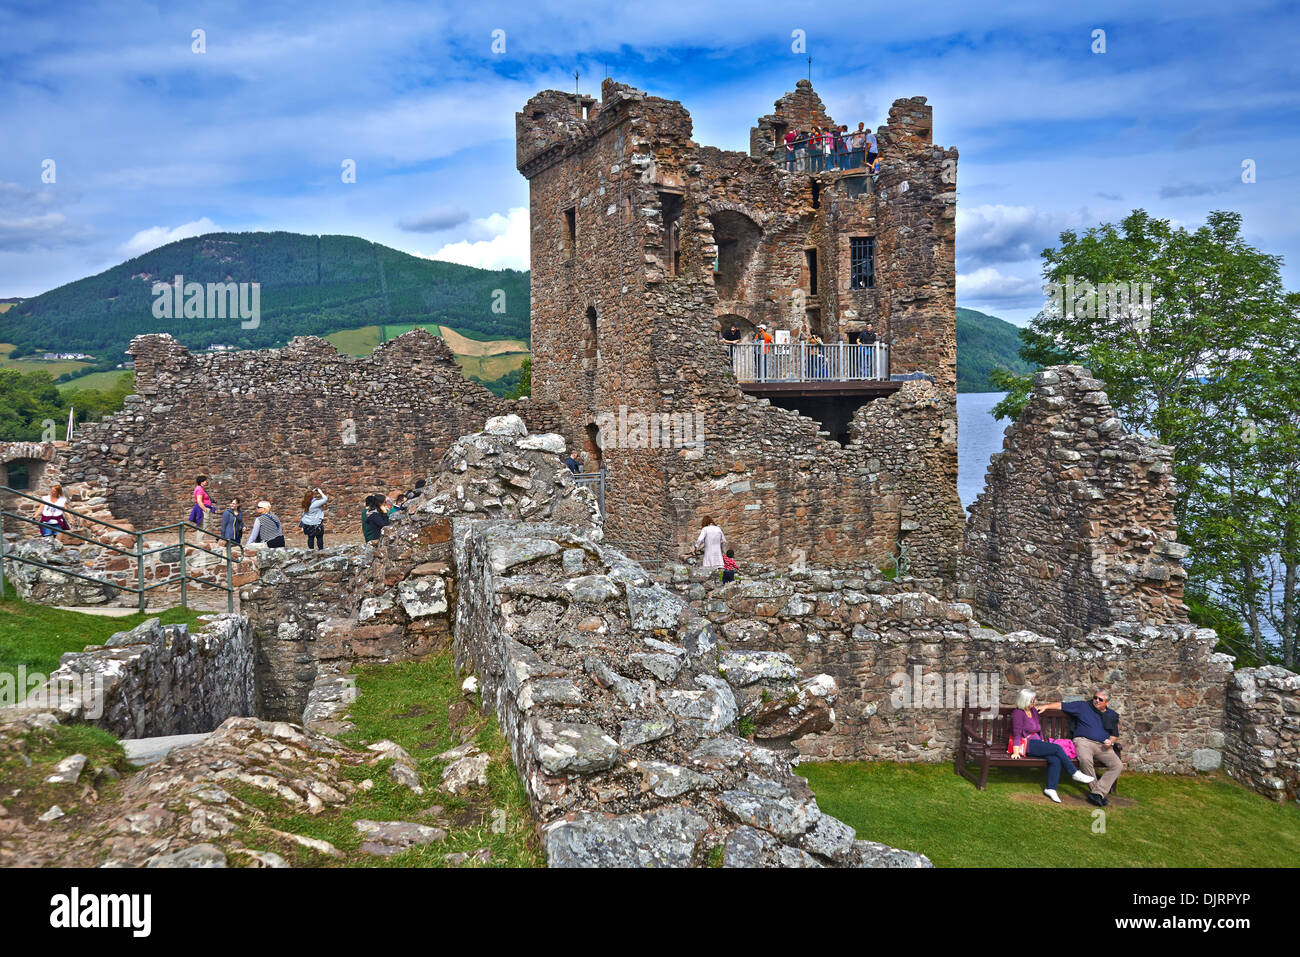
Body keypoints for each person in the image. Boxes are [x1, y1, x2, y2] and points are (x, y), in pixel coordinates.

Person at [1010, 689, 1094, 803]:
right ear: (1024, 701)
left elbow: (1037, 729)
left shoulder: (1033, 710)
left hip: (1038, 743)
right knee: (1057, 748)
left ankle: (1050, 788)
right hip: (1027, 745)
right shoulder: (1018, 714)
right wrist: (1015, 751)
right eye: (1031, 701)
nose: (1034, 703)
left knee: (1055, 759)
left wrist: (1046, 707)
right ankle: (1074, 773)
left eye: (1034, 700)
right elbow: (1017, 733)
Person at [1064, 689, 1123, 806]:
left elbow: (1114, 735)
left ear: (1107, 702)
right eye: (1095, 697)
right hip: (1083, 742)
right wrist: (1043, 707)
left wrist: (1110, 742)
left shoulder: (1111, 715)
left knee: (1118, 765)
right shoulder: (1083, 707)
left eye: (1100, 699)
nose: (1096, 701)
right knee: (1085, 760)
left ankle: (1096, 793)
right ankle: (1098, 794)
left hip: (1102, 746)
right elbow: (1061, 705)